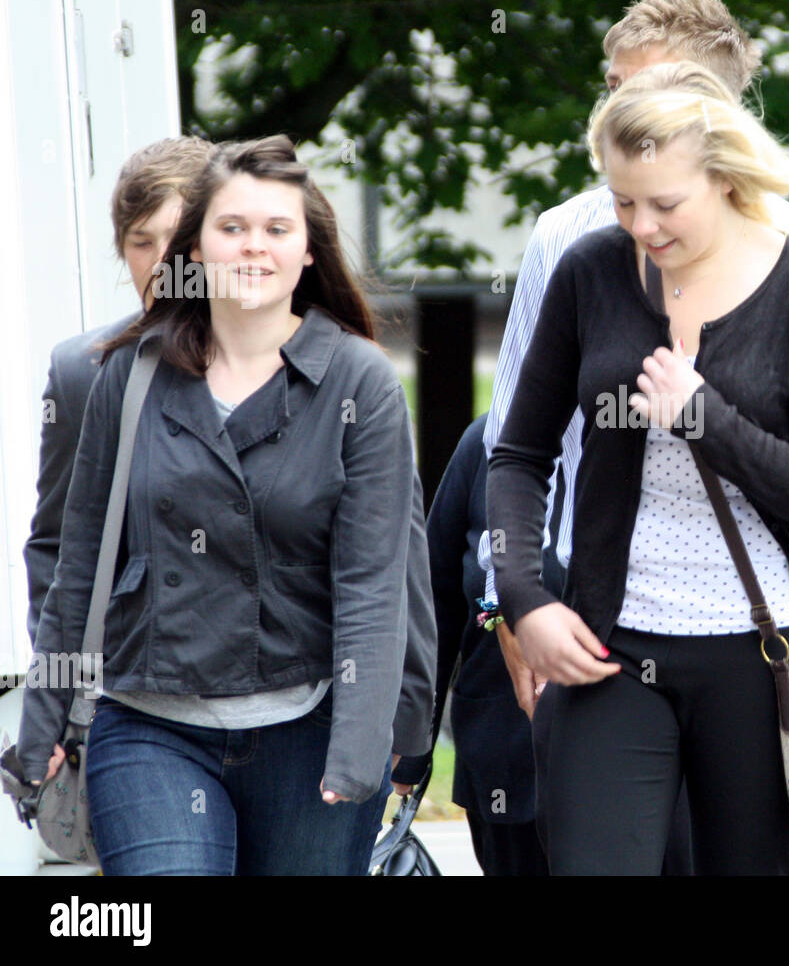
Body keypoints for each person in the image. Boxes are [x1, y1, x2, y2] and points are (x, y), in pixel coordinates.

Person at [487, 60, 789, 875]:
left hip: (766, 652)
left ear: (728, 178)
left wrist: (705, 420)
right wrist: (523, 597)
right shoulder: (591, 272)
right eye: (623, 201)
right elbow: (518, 455)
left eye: (665, 203)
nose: (641, 225)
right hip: (610, 644)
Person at [17, 135, 435, 875]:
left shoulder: (358, 382)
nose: (253, 247)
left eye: (277, 229)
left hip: (308, 727)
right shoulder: (130, 374)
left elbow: (376, 578)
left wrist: (371, 739)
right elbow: (76, 560)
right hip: (151, 722)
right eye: (231, 227)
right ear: (198, 245)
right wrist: (44, 722)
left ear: (309, 250)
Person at [25, 136, 212, 647]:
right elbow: (56, 547)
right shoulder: (83, 373)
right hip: (130, 693)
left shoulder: (292, 364)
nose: (159, 262)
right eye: (140, 241)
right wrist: (57, 703)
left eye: (175, 239)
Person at [424, 413, 564, 875]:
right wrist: (414, 746)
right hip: (505, 754)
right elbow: (435, 599)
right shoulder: (484, 443)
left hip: (637, 761)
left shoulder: (650, 435)